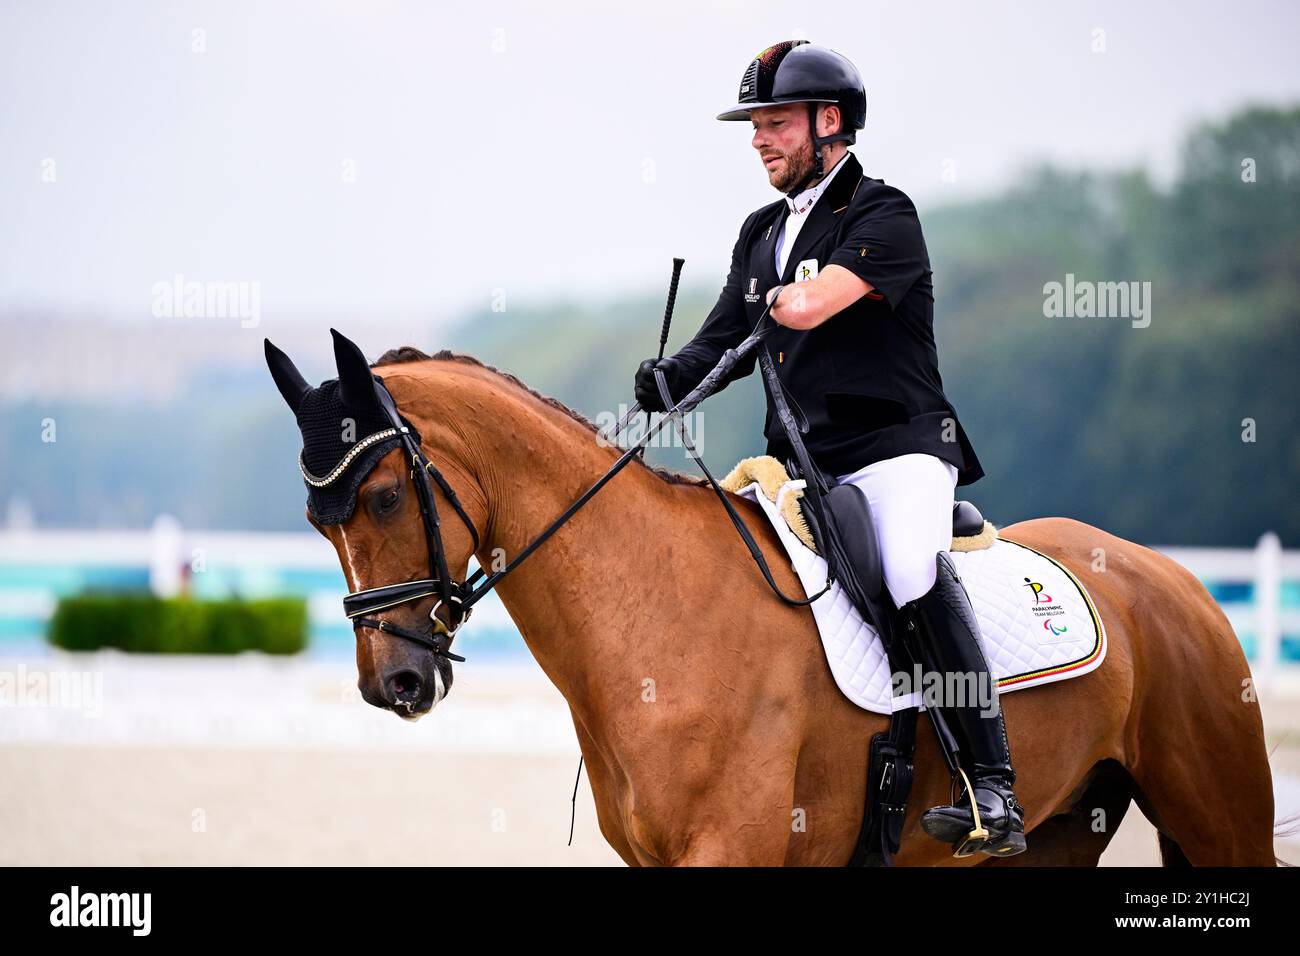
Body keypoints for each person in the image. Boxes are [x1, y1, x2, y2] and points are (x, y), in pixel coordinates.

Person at [633, 39, 1025, 856]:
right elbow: (719, 341)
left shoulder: (884, 214)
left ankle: (994, 784)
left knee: (912, 565)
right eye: (755, 126)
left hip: (897, 451)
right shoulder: (760, 231)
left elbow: (813, 305)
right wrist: (668, 379)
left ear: (830, 122)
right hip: (803, 469)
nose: (758, 140)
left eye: (774, 123)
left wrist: (776, 298)